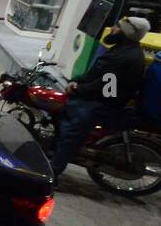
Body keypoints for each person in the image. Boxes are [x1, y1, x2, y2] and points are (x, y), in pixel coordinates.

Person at [51, 16, 150, 184]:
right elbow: (97, 74)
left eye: (117, 27)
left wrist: (79, 89)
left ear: (127, 33)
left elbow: (107, 87)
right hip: (96, 97)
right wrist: (77, 81)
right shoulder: (120, 49)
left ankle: (52, 175)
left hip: (102, 104)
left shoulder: (127, 57)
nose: (112, 29)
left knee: (70, 134)